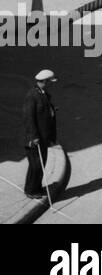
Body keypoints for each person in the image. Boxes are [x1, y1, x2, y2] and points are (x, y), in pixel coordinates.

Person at [22, 69, 58, 200]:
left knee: (41, 163)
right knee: (36, 165)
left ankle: (37, 187)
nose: (51, 84)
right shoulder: (32, 96)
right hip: (34, 138)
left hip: (43, 137)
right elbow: (28, 118)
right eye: (49, 82)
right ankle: (30, 190)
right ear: (44, 81)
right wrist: (33, 137)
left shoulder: (42, 93)